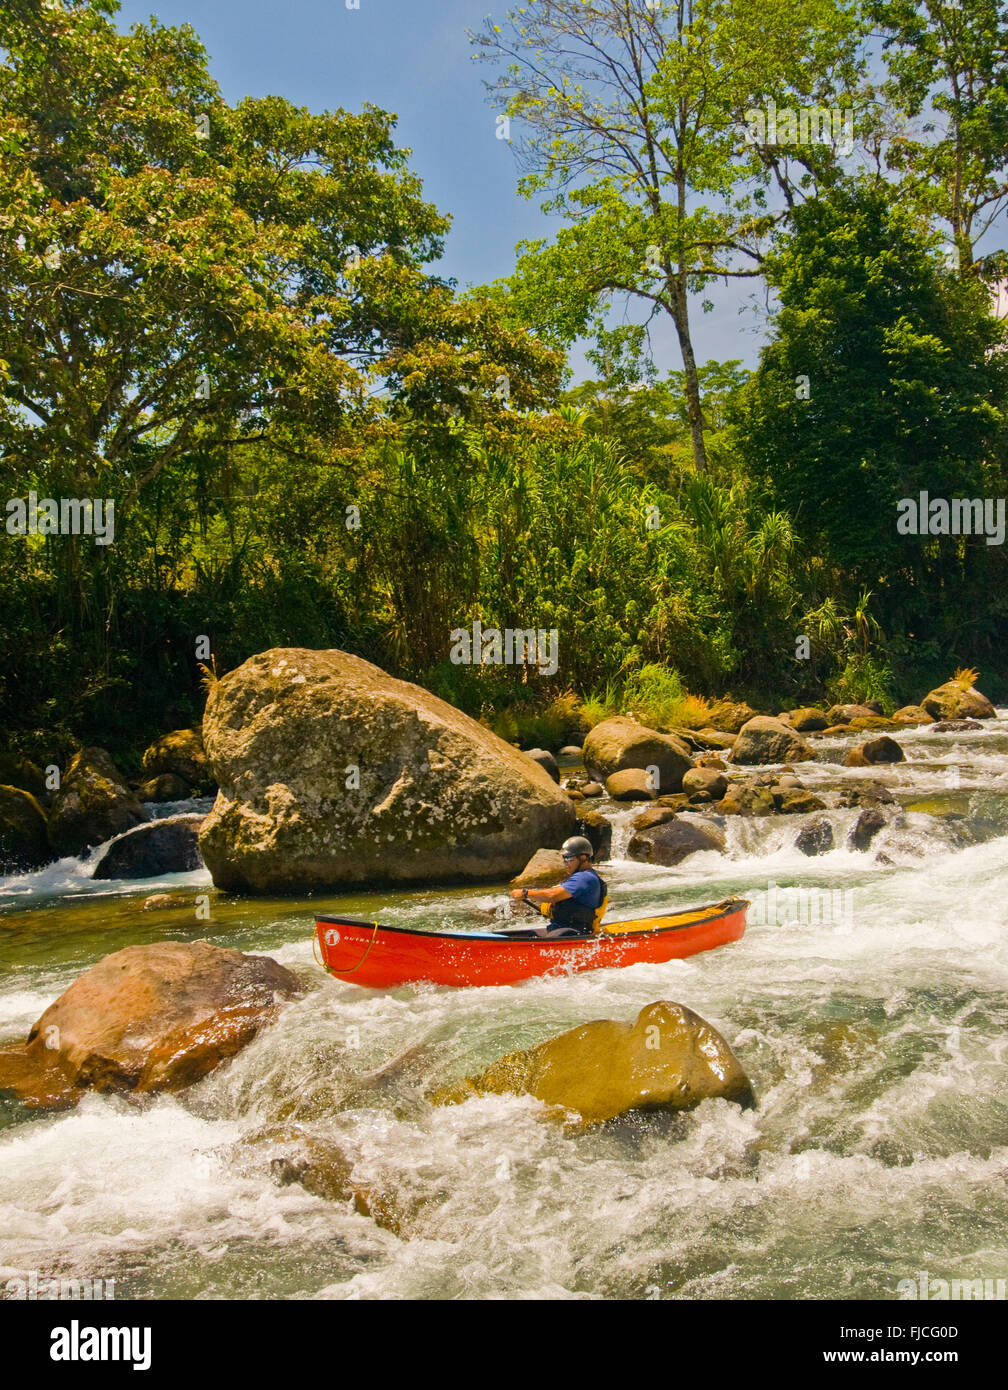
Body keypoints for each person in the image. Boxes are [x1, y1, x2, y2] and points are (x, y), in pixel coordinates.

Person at [504, 836, 608, 939]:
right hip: (561, 928)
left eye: (569, 858)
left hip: (575, 932)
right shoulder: (580, 877)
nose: (565, 862)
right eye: (564, 858)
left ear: (583, 858)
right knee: (526, 934)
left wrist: (525, 893)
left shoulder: (584, 878)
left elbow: (552, 895)